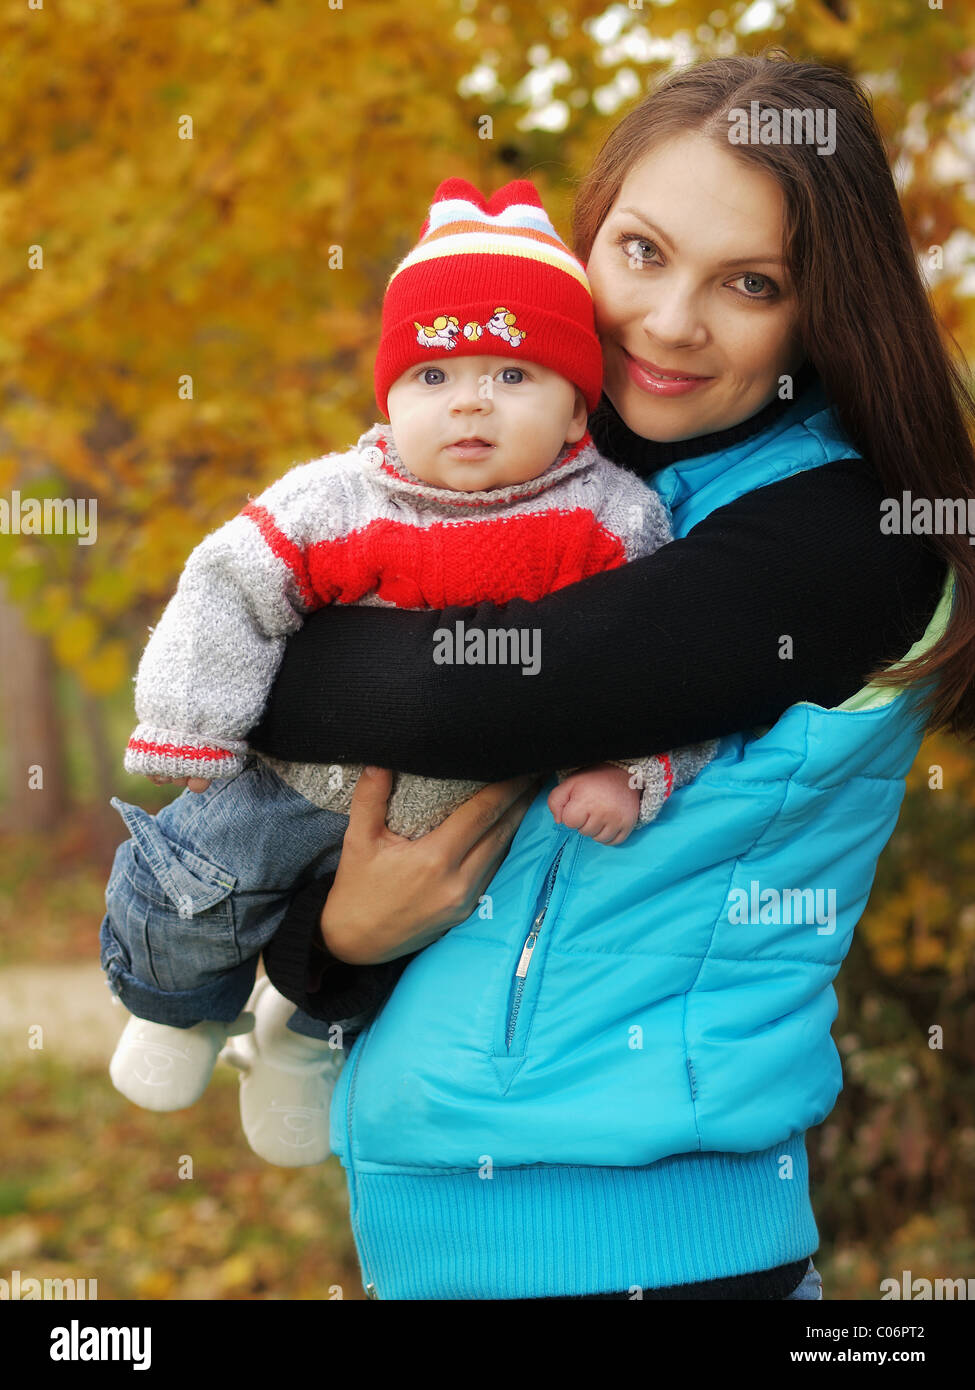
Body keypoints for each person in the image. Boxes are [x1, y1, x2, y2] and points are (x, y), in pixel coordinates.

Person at [243, 52, 975, 1300]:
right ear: (581, 243)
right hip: (429, 1245)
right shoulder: (554, 479)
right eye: (642, 252)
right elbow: (470, 837)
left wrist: (257, 634)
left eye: (750, 282)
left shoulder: (844, 533)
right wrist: (337, 943)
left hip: (665, 1252)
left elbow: (451, 698)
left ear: (822, 312)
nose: (673, 320)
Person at [98, 176, 718, 1167]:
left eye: (511, 373)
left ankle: (296, 1044)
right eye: (433, 374)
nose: (469, 399)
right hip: (294, 784)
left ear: (576, 412)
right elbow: (233, 583)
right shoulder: (341, 496)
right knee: (198, 888)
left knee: (400, 963)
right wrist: (192, 717)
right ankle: (177, 1009)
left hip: (461, 816)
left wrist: (633, 770)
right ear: (389, 398)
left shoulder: (611, 518)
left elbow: (665, 659)